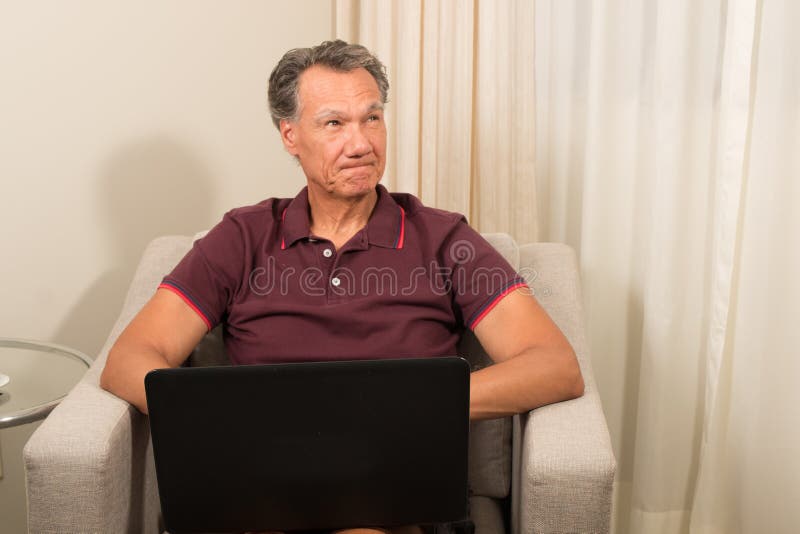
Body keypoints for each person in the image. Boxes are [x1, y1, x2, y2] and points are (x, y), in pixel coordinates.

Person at [100, 39, 584, 534]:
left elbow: (554, 366)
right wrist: (231, 422)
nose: (361, 143)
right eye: (334, 123)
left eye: (371, 118)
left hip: (392, 499)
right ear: (290, 135)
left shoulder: (444, 240)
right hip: (263, 495)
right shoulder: (242, 237)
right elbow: (130, 359)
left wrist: (404, 406)